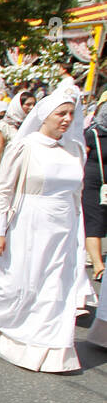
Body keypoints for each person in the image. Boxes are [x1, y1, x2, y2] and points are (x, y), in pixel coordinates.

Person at [0, 91, 96, 371]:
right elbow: (2, 190)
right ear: (44, 116)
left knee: (54, 287)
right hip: (30, 222)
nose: (67, 119)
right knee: (17, 283)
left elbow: (77, 194)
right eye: (60, 114)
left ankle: (45, 347)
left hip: (64, 227)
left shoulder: (75, 149)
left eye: (71, 114)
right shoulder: (25, 146)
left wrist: (79, 234)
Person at [82, 97, 107, 282]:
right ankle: (98, 265)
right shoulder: (93, 134)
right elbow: (81, 158)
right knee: (94, 221)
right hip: (94, 182)